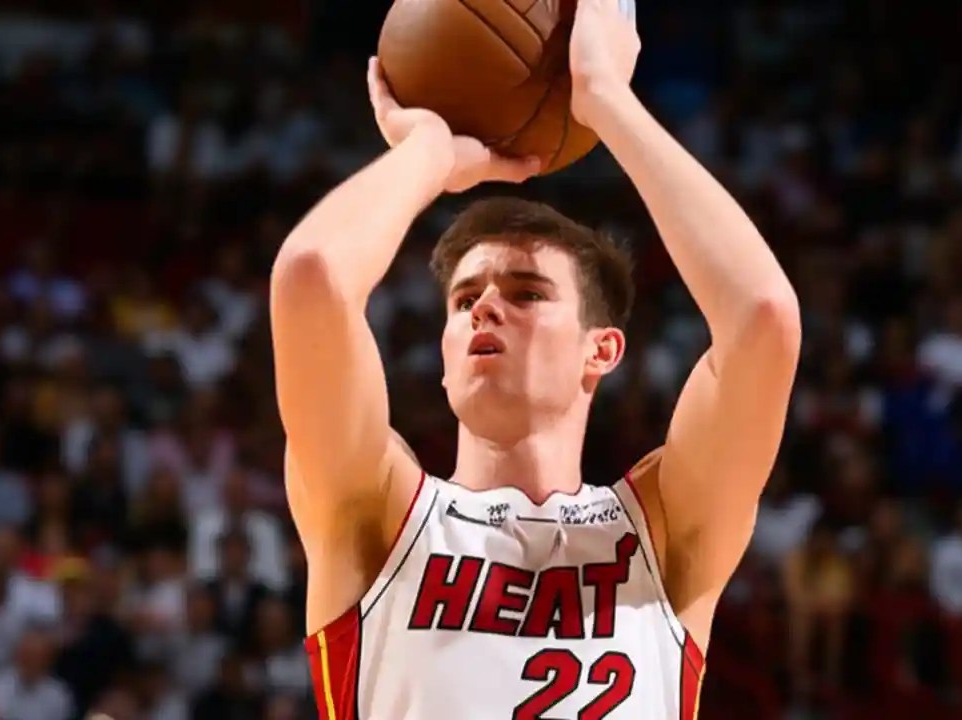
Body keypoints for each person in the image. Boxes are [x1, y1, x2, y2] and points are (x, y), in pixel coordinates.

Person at [269, 0, 800, 717]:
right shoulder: (375, 510)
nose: (485, 307)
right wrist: (430, 151)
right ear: (445, 353)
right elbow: (310, 279)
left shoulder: (666, 530)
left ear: (601, 350)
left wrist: (607, 99)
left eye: (526, 292)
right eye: (464, 301)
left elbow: (764, 321)